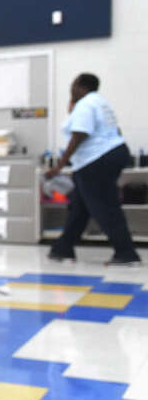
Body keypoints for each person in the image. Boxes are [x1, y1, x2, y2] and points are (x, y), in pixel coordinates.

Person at [45, 73, 141, 266]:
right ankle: (63, 249)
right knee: (79, 207)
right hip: (110, 154)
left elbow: (79, 135)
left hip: (95, 160)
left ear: (81, 86)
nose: (70, 89)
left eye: (73, 85)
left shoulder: (86, 105)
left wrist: (59, 166)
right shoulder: (100, 103)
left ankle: (126, 253)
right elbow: (116, 132)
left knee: (106, 207)